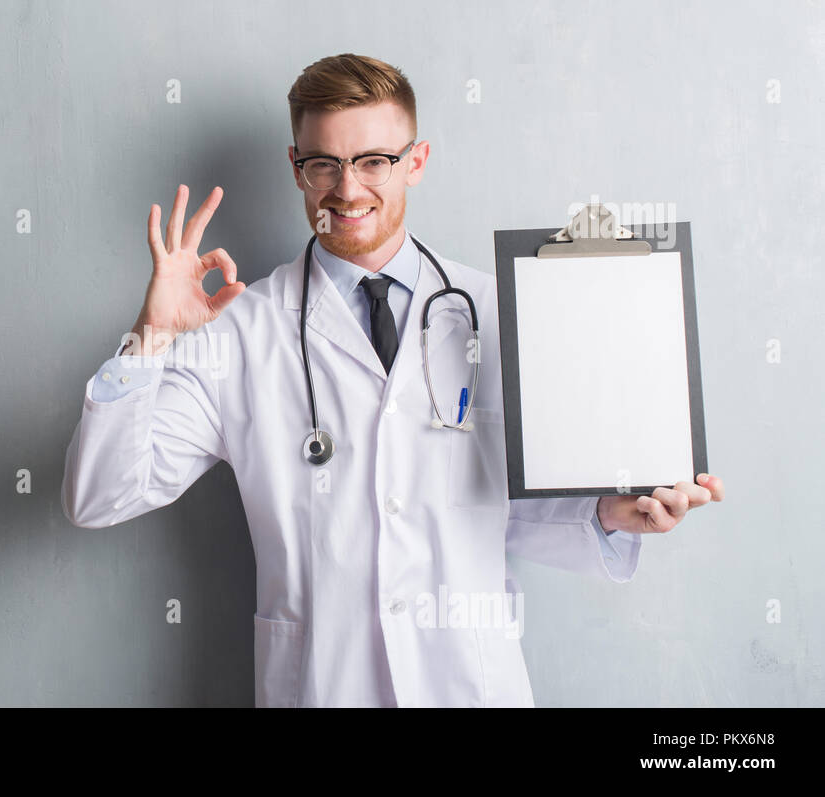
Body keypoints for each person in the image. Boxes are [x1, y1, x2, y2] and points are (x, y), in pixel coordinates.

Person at [60, 53, 724, 707]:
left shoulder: (498, 309)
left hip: (468, 683)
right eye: (324, 163)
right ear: (296, 168)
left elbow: (504, 507)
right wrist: (152, 337)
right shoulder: (240, 332)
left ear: (416, 161)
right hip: (325, 683)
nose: (348, 190)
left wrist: (612, 512)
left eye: (375, 160)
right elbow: (98, 496)